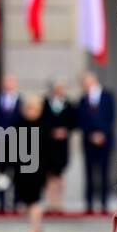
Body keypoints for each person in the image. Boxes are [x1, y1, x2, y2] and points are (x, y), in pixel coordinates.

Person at [12, 93, 49, 232]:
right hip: (21, 171)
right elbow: (10, 149)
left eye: (34, 109)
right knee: (26, 204)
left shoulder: (44, 126)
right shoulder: (17, 125)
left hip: (38, 171)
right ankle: (37, 229)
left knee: (34, 201)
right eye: (28, 108)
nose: (31, 112)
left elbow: (49, 151)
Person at [78, 71, 116, 214]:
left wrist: (102, 134)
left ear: (93, 81)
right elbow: (81, 120)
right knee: (89, 172)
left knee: (104, 172)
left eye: (86, 82)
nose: (84, 85)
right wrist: (91, 135)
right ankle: (89, 205)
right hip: (88, 141)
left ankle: (104, 204)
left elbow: (111, 117)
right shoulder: (83, 99)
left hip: (105, 141)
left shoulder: (108, 96)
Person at [0, 75, 22, 215]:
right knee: (1, 174)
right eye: (6, 82)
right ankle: (1, 203)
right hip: (0, 143)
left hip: (16, 142)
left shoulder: (20, 101)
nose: (8, 85)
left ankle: (15, 203)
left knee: (16, 174)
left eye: (11, 82)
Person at [42, 79, 76, 215]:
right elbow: (42, 121)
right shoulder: (45, 103)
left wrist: (65, 130)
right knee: (49, 175)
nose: (59, 90)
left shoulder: (68, 104)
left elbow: (73, 122)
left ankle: (59, 203)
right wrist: (52, 131)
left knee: (60, 174)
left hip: (62, 145)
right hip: (48, 144)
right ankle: (50, 202)